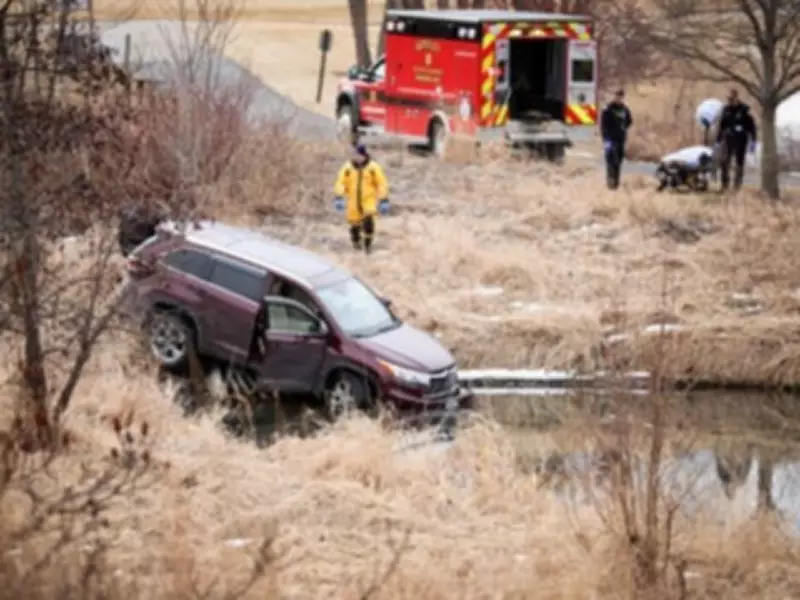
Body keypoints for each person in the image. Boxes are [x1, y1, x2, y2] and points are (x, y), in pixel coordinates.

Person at [333, 144, 390, 255]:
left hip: (368, 200)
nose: (356, 158)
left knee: (369, 223)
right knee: (354, 225)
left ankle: (368, 246)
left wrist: (383, 199)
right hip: (353, 201)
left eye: (358, 155)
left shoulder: (373, 168)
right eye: (354, 155)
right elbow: (340, 182)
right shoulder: (347, 168)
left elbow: (381, 183)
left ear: (364, 155)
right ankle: (356, 241)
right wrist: (339, 196)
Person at [716, 89, 757, 192]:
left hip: (741, 139)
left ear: (736, 98)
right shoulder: (726, 110)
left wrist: (753, 140)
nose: (730, 101)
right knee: (724, 161)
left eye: (731, 99)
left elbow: (752, 126)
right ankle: (725, 185)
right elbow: (722, 125)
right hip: (728, 138)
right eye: (728, 99)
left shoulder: (744, 110)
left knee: (739, 162)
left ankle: (737, 186)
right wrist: (718, 139)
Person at [600, 88, 633, 190]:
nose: (619, 99)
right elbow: (603, 124)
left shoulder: (625, 109)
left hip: (620, 139)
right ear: (614, 97)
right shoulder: (608, 109)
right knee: (610, 159)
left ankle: (616, 182)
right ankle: (610, 180)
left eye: (621, 97)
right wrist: (605, 138)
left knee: (618, 160)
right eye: (617, 96)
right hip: (609, 139)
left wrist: (623, 129)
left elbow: (629, 121)